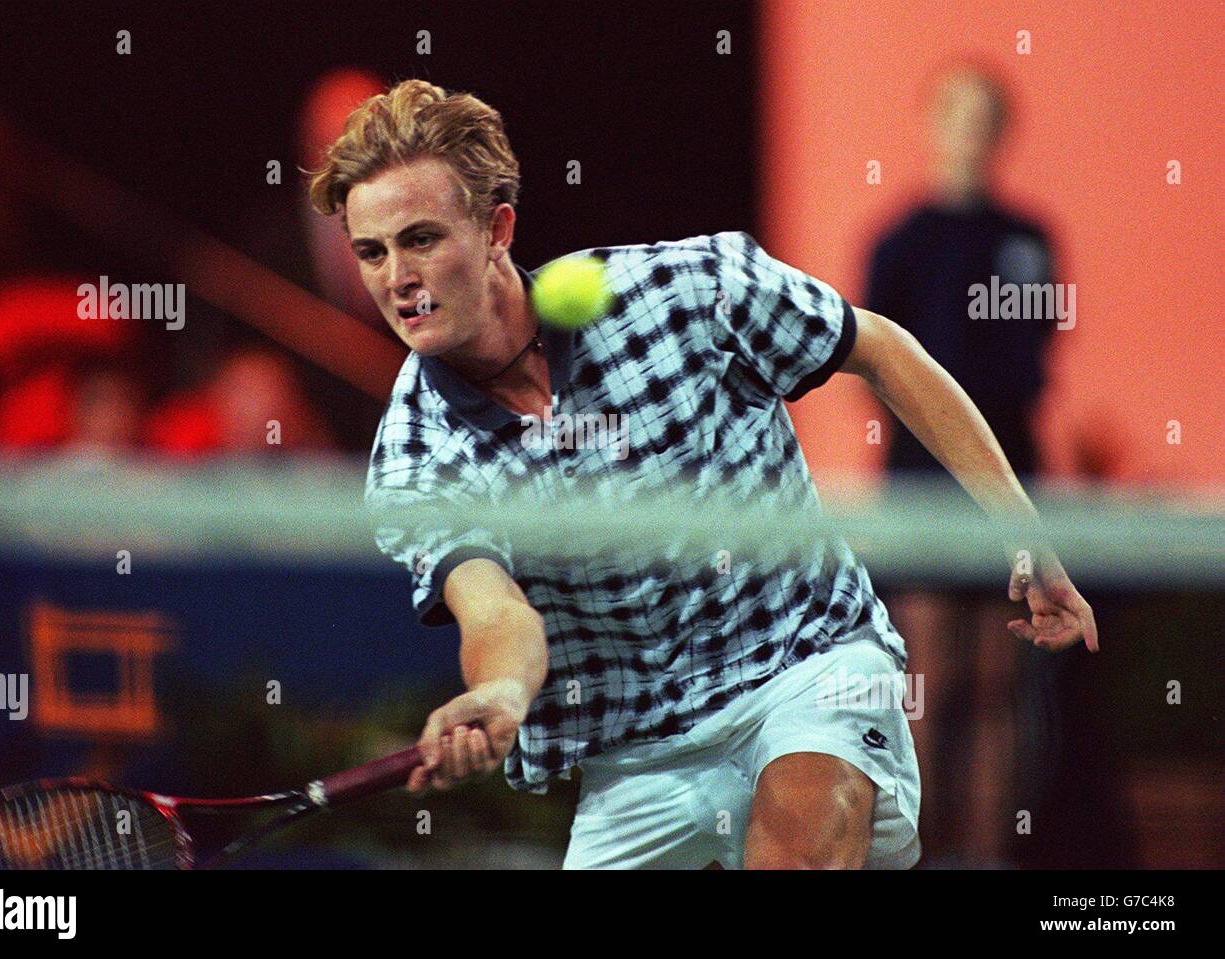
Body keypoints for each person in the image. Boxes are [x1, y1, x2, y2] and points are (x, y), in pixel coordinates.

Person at [309, 80, 1097, 869]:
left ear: (496, 228)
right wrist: (504, 694)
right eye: (371, 252)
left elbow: (883, 349)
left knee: (793, 847)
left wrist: (1025, 536)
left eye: (421, 239)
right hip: (634, 756)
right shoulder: (414, 452)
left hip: (804, 669)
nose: (396, 279)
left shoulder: (684, 293)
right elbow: (494, 610)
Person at [864, 64, 1063, 864]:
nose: (968, 134)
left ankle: (986, 855)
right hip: (918, 487)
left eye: (984, 119)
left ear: (1000, 132)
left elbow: (1032, 362)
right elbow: (876, 373)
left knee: (992, 684)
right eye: (956, 116)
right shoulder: (898, 243)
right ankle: (917, 851)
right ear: (932, 124)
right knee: (925, 681)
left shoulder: (1028, 241)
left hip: (1009, 494)